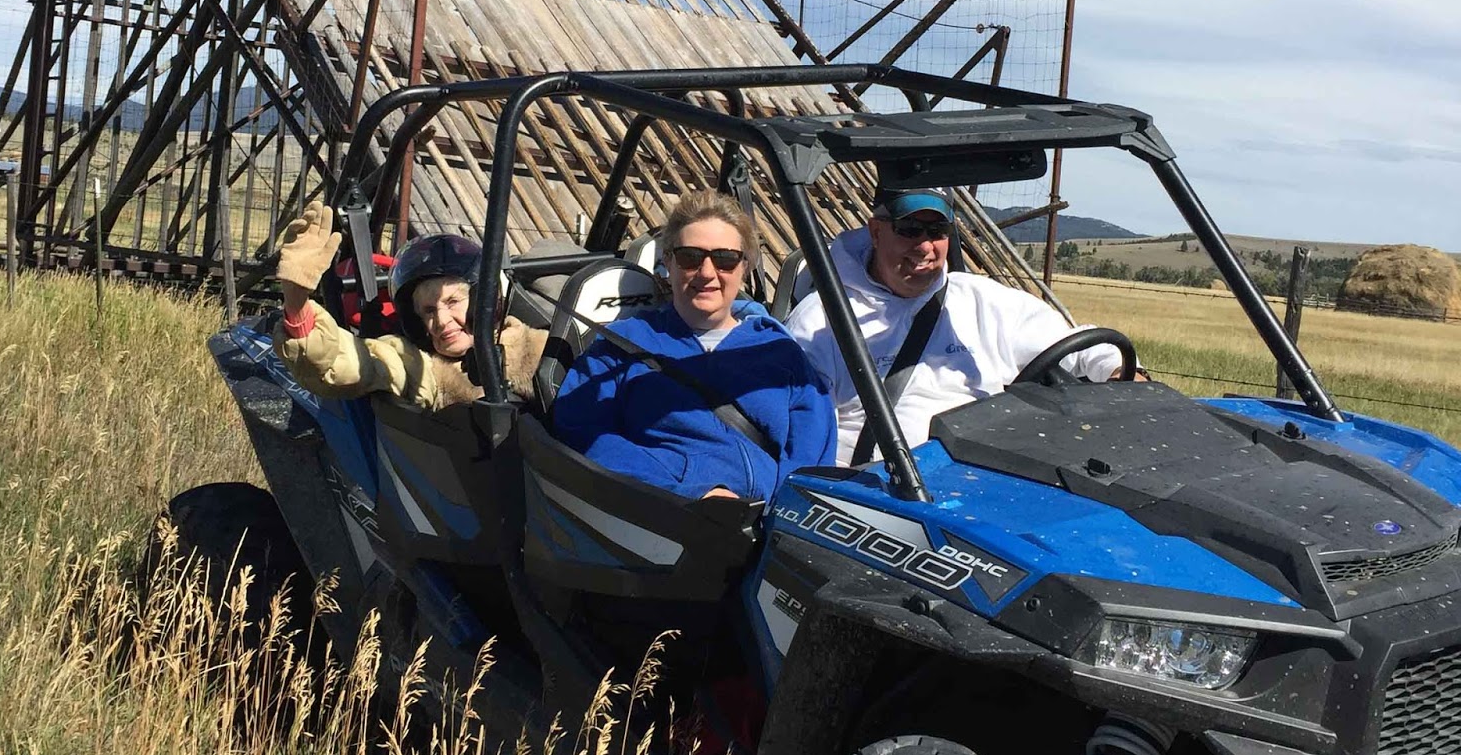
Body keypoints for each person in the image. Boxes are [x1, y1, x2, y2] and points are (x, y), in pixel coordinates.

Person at [786, 186, 1122, 466]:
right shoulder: (822, 322)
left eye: (937, 231)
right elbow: (803, 438)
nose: (925, 246)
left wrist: (1116, 369)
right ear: (876, 231)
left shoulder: (981, 301)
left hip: (992, 477)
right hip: (882, 495)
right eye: (909, 229)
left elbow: (1074, 346)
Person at [553, 191, 836, 501]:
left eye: (725, 260)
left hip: (766, 529)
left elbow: (814, 454)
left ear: (745, 267)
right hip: (667, 519)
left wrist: (780, 510)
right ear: (668, 262)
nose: (706, 273)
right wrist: (687, 489)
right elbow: (580, 431)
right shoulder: (620, 347)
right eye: (690, 257)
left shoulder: (780, 352)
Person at [273, 201, 546, 410]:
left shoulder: (538, 346)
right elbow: (352, 362)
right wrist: (296, 303)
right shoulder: (424, 369)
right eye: (428, 311)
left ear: (486, 298)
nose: (440, 321)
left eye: (452, 301)